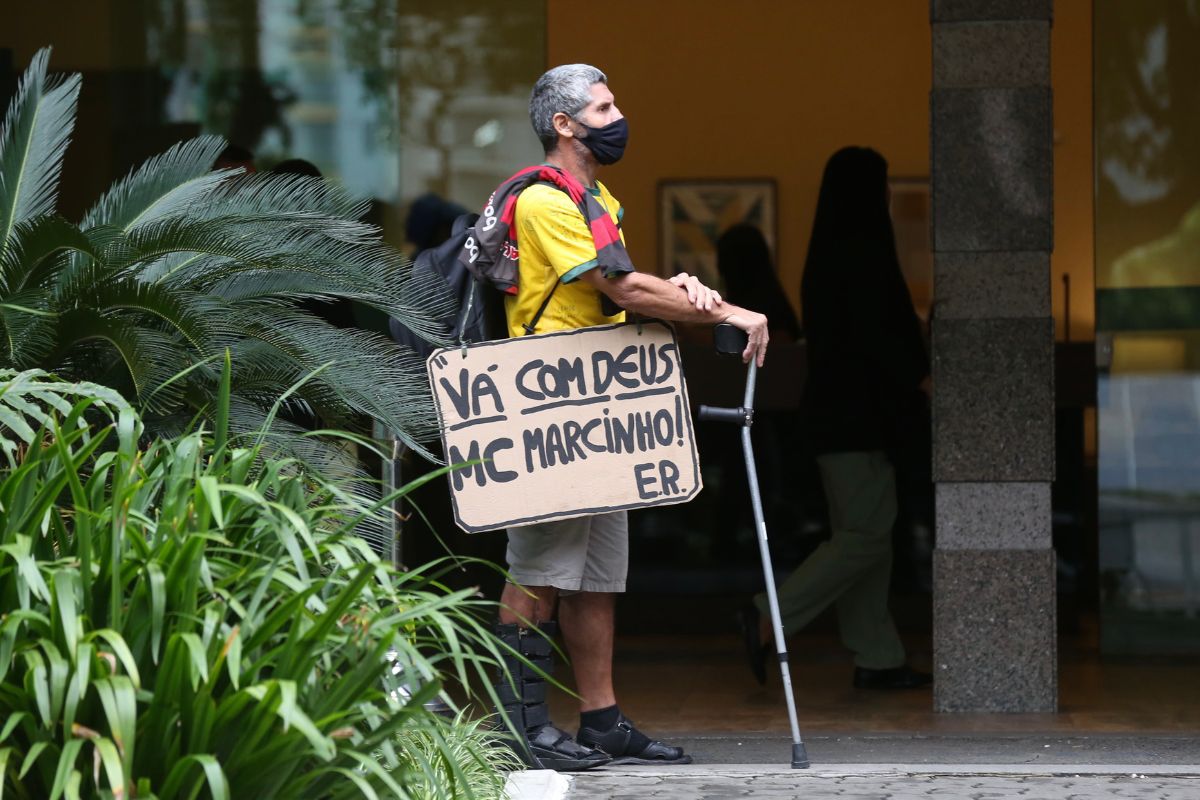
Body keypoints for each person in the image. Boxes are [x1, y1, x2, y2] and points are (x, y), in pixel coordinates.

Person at [485, 64, 769, 771]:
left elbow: (612, 293)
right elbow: (617, 284)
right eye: (605, 108)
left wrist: (677, 288)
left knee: (598, 574)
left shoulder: (597, 196)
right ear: (565, 124)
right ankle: (520, 726)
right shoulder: (545, 202)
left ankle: (601, 720)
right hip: (551, 407)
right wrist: (724, 310)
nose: (618, 118)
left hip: (601, 404)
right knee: (539, 569)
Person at [739, 146, 932, 691]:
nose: (889, 195)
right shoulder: (865, 253)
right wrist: (919, 374)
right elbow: (881, 339)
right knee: (867, 536)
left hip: (835, 417)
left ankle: (878, 656)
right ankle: (768, 616)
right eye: (883, 184)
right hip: (859, 421)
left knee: (866, 534)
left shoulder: (829, 251)